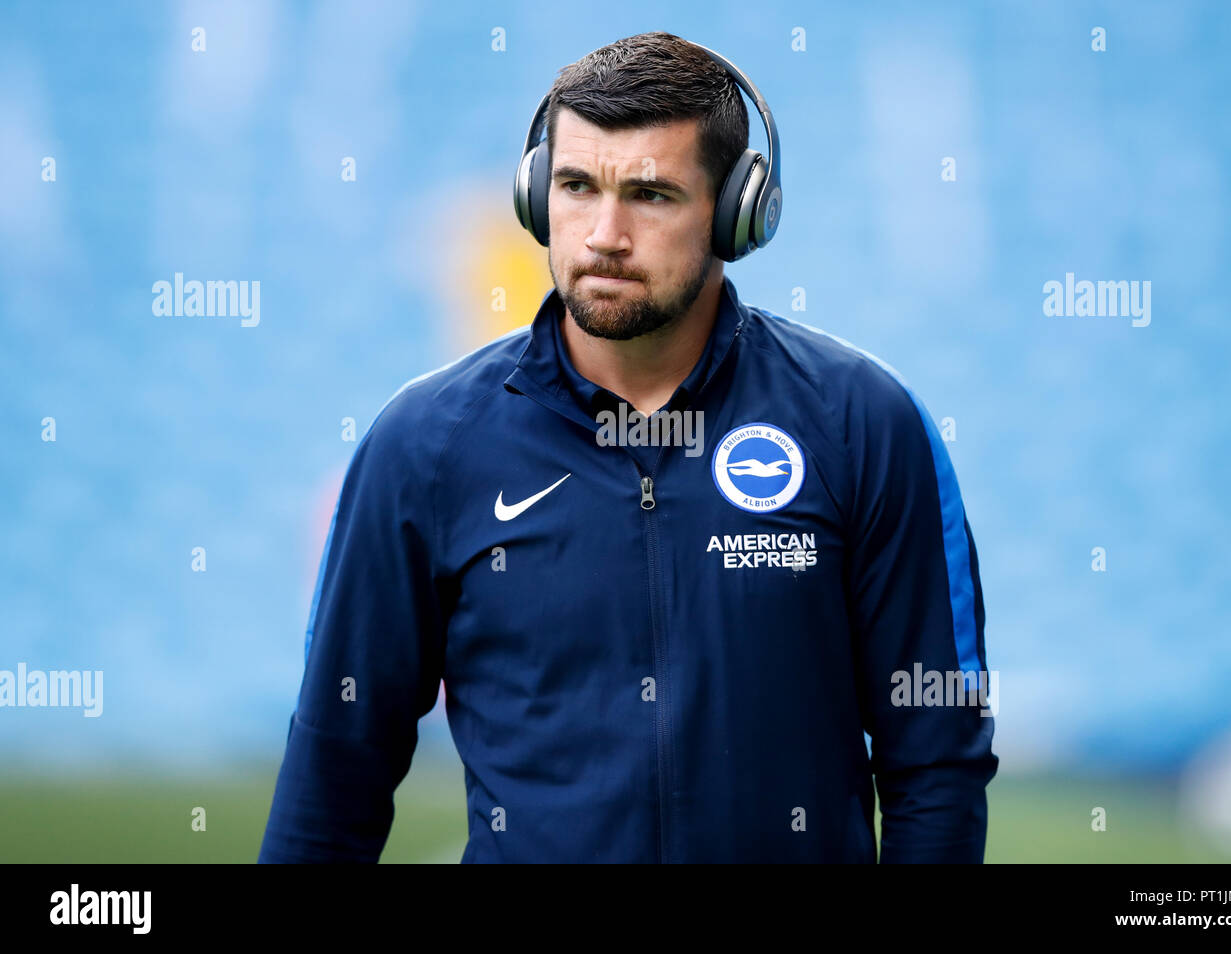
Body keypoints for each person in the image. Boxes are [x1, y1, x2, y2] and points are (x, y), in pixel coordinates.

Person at [258, 30, 997, 864]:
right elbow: (334, 772)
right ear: (537, 197)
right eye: (576, 186)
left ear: (735, 213)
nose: (603, 234)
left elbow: (937, 761)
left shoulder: (863, 421)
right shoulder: (423, 445)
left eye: (649, 195)